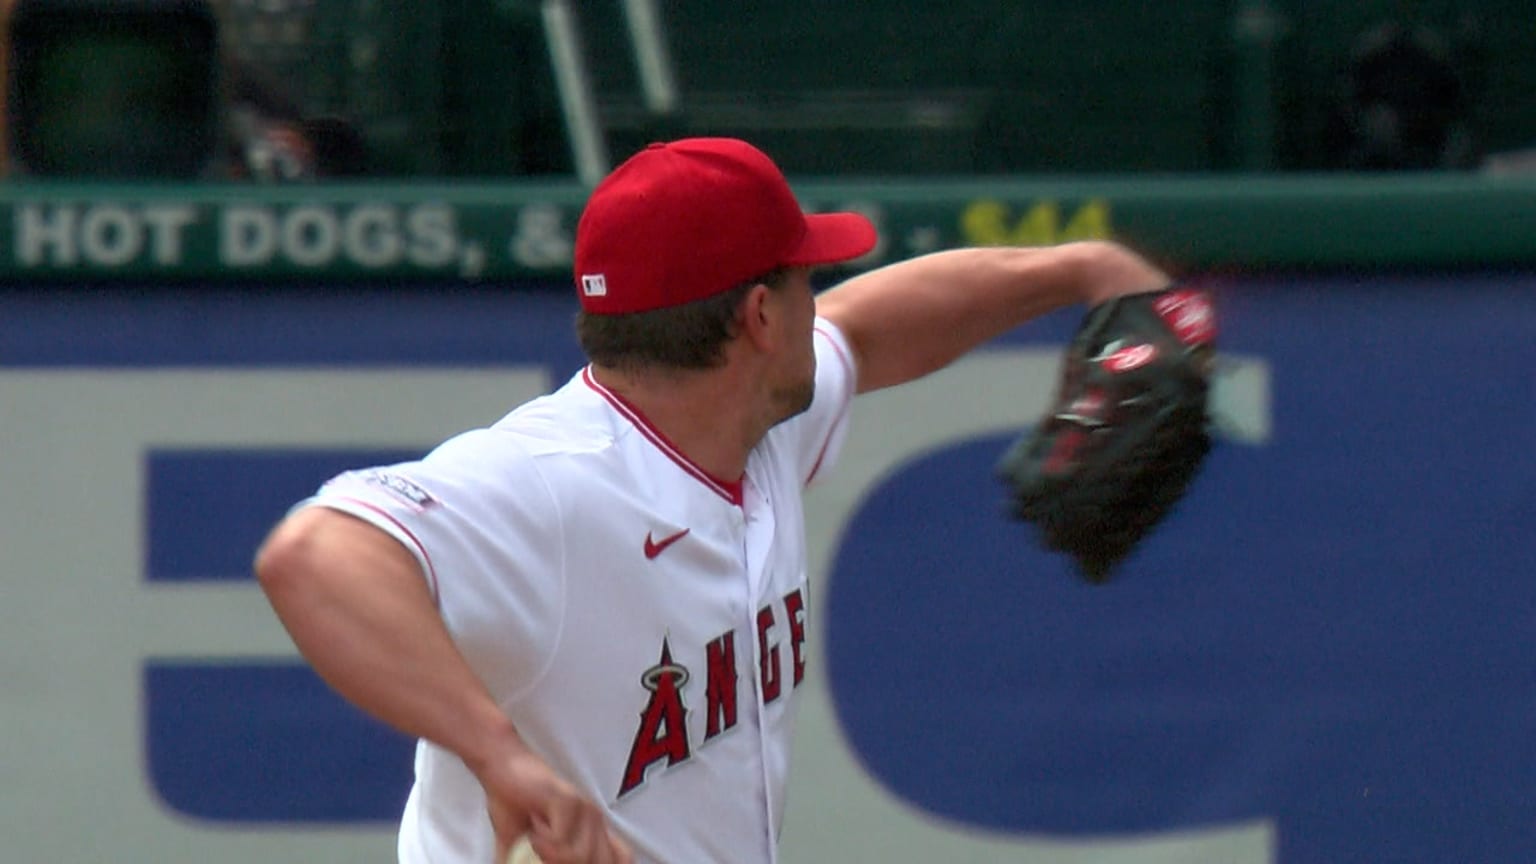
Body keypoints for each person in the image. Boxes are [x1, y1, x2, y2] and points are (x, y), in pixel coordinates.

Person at [254, 137, 1173, 864]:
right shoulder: (555, 483)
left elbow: (880, 324)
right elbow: (313, 556)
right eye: (805, 275)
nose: (823, 298)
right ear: (759, 320)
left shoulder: (754, 428)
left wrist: (1082, 270)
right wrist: (500, 756)